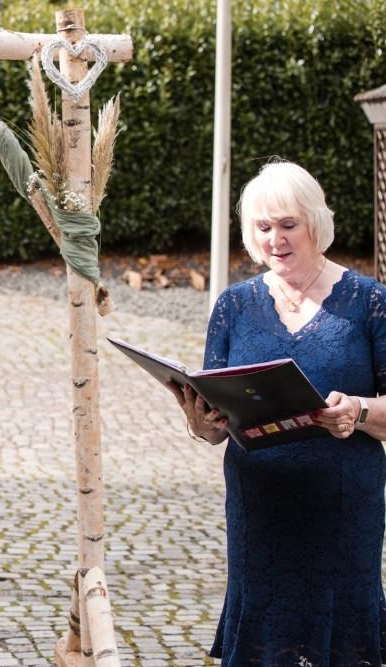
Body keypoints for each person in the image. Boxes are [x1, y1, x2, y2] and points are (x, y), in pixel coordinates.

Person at [169, 160, 386, 666]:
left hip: (342, 507)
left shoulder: (369, 302)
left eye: (288, 225)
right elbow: (214, 414)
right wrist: (201, 424)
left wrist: (357, 409)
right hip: (260, 509)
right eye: (263, 228)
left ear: (316, 223)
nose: (275, 239)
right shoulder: (233, 306)